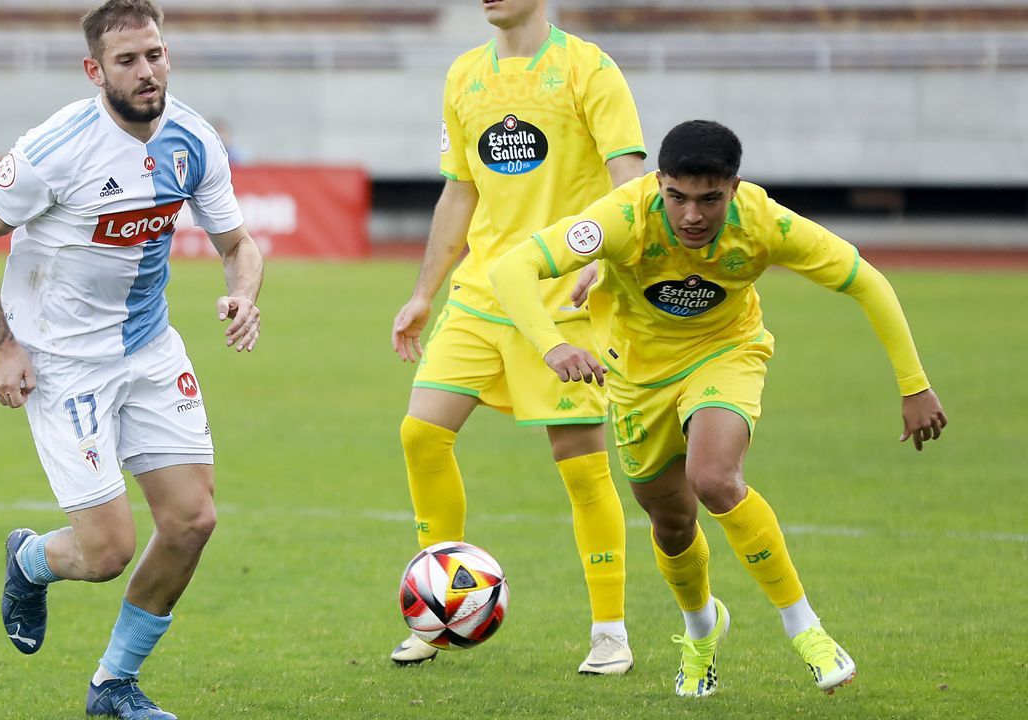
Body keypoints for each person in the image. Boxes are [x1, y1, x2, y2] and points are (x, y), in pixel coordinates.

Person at [490, 119, 948, 697]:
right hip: (636, 377)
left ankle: (805, 629)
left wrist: (914, 385)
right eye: (677, 196)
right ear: (659, 183)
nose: (691, 215)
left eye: (709, 199)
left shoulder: (765, 223)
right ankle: (701, 628)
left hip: (725, 353)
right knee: (671, 524)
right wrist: (553, 345)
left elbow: (867, 281)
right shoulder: (624, 216)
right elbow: (512, 268)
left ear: (734, 187)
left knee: (713, 478)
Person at [0, 2, 263, 717]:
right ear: (95, 71)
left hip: (149, 346)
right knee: (106, 552)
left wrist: (243, 294)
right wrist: (2, 344)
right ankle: (30, 559)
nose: (147, 71)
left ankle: (113, 684)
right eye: (127, 60)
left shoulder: (194, 138)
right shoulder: (58, 147)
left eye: (155, 54)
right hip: (64, 362)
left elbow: (238, 243)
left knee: (192, 521)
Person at [389, 0, 646, 673]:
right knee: (421, 433)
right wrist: (424, 292)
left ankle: (610, 631)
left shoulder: (589, 69)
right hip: (481, 295)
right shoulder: (463, 75)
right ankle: (440, 610)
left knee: (581, 464)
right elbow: (459, 192)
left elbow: (630, 181)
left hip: (563, 299)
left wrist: (606, 254)